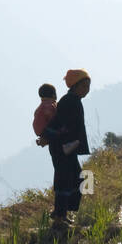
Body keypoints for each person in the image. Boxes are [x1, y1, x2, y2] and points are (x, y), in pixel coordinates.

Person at [40, 69, 91, 228]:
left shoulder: (74, 100)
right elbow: (59, 124)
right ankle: (59, 218)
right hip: (61, 148)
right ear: (75, 86)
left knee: (77, 179)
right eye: (84, 86)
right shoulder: (69, 101)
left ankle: (61, 213)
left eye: (88, 86)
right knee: (64, 181)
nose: (87, 89)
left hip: (67, 148)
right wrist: (48, 137)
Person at [33, 83, 58, 147]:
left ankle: (43, 141)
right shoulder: (49, 106)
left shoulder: (40, 107)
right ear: (53, 95)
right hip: (46, 131)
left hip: (40, 132)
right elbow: (54, 119)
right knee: (61, 133)